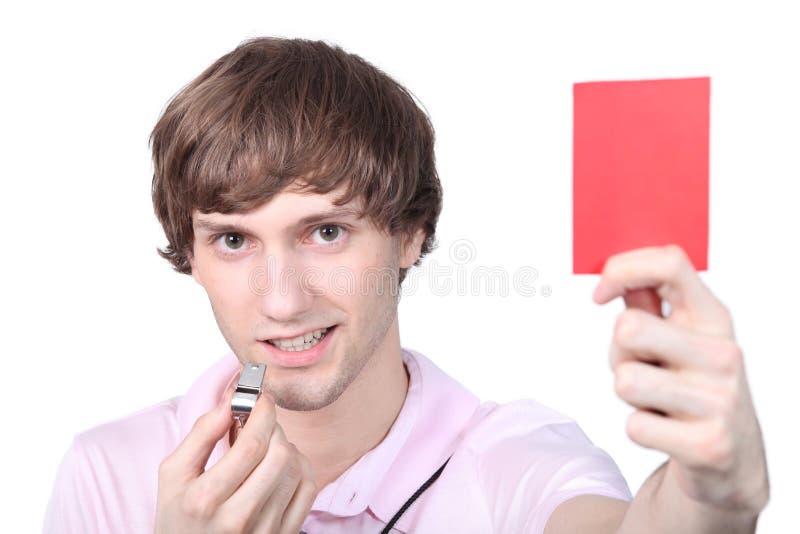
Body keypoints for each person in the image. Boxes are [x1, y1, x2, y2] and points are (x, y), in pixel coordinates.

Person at [43, 37, 769, 534]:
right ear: (192, 257)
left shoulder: (511, 462)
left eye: (326, 232)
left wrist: (711, 497)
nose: (282, 300)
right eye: (233, 240)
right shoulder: (109, 473)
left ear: (410, 233)